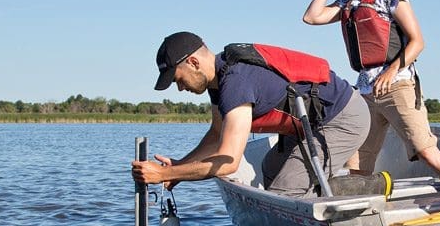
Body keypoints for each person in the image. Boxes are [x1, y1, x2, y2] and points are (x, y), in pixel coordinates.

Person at [131, 32, 374, 197]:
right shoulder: (218, 80)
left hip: (342, 116)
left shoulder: (235, 83)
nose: (180, 88)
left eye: (178, 79)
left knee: (286, 190)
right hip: (308, 122)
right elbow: (216, 135)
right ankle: (323, 191)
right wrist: (180, 167)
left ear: (194, 63)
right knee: (271, 169)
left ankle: (363, 192)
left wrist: (165, 173)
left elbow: (227, 162)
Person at [302, 0, 440, 179]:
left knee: (426, 152)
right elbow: (311, 17)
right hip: (365, 91)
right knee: (358, 163)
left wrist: (391, 71)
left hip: (397, 85)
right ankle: (361, 203)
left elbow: (418, 41)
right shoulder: (349, 3)